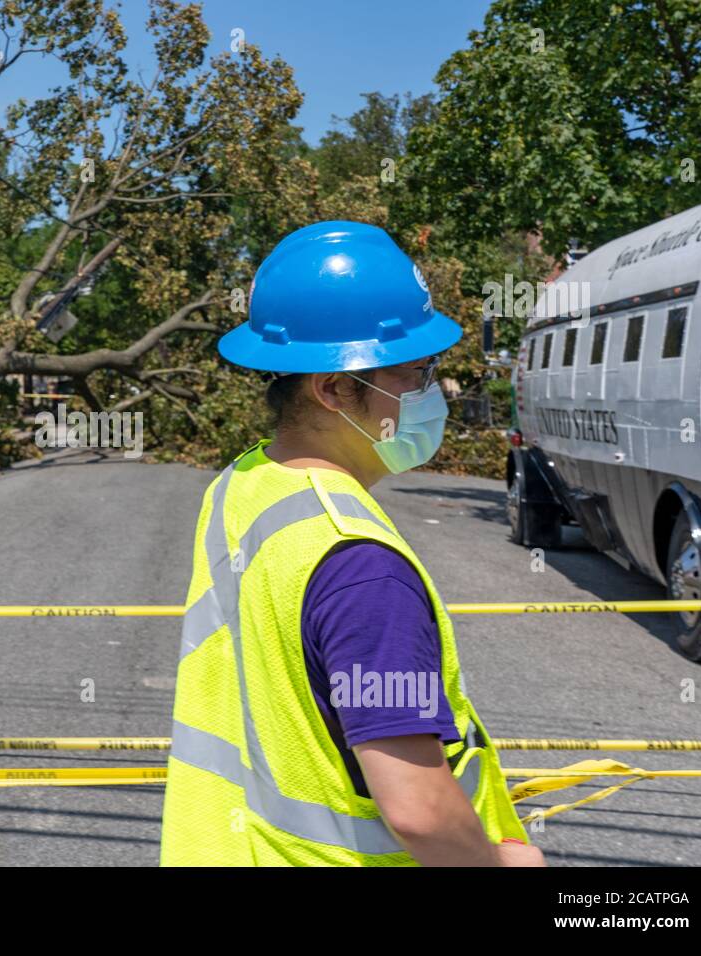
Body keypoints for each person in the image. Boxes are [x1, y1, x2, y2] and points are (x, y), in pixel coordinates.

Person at [159, 221, 544, 867]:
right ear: (334, 389)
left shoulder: (246, 482)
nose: (433, 394)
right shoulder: (363, 570)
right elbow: (417, 808)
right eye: (416, 373)